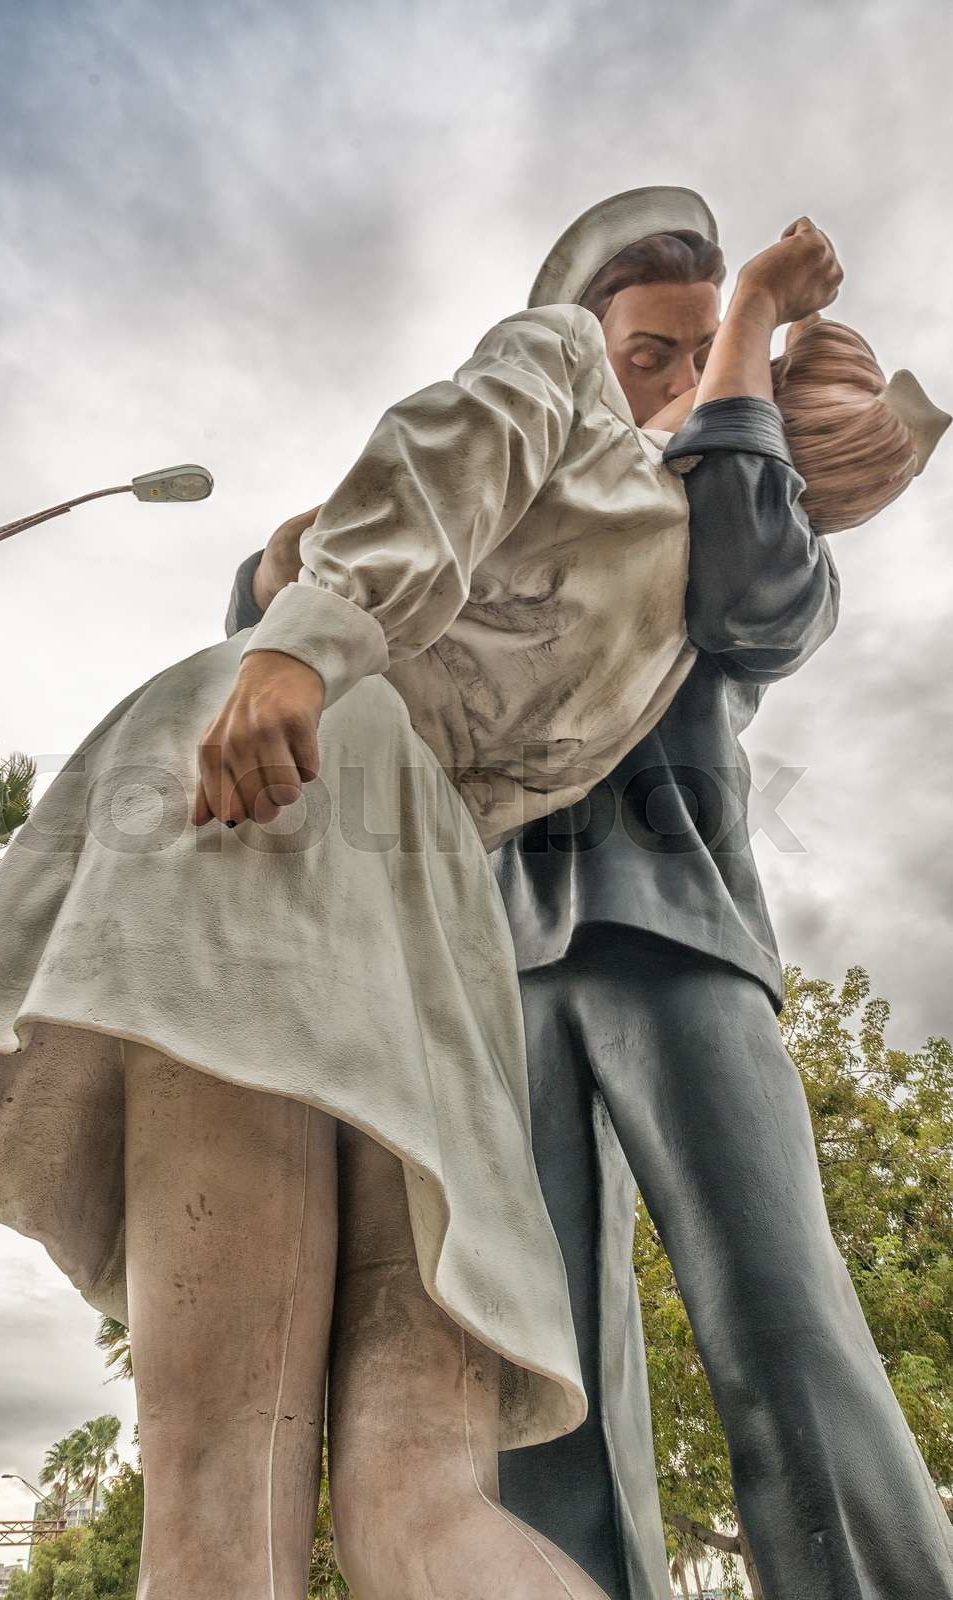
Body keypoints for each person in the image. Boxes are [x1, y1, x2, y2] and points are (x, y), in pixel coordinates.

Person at [233, 188, 953, 1600]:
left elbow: (747, 598)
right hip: (490, 974)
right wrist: (272, 577)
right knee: (540, 1363)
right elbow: (352, 625)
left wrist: (756, 323)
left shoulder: (742, 518)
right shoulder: (517, 498)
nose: (684, 379)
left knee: (779, 1311)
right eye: (649, 353)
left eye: (709, 353)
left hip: (674, 934)